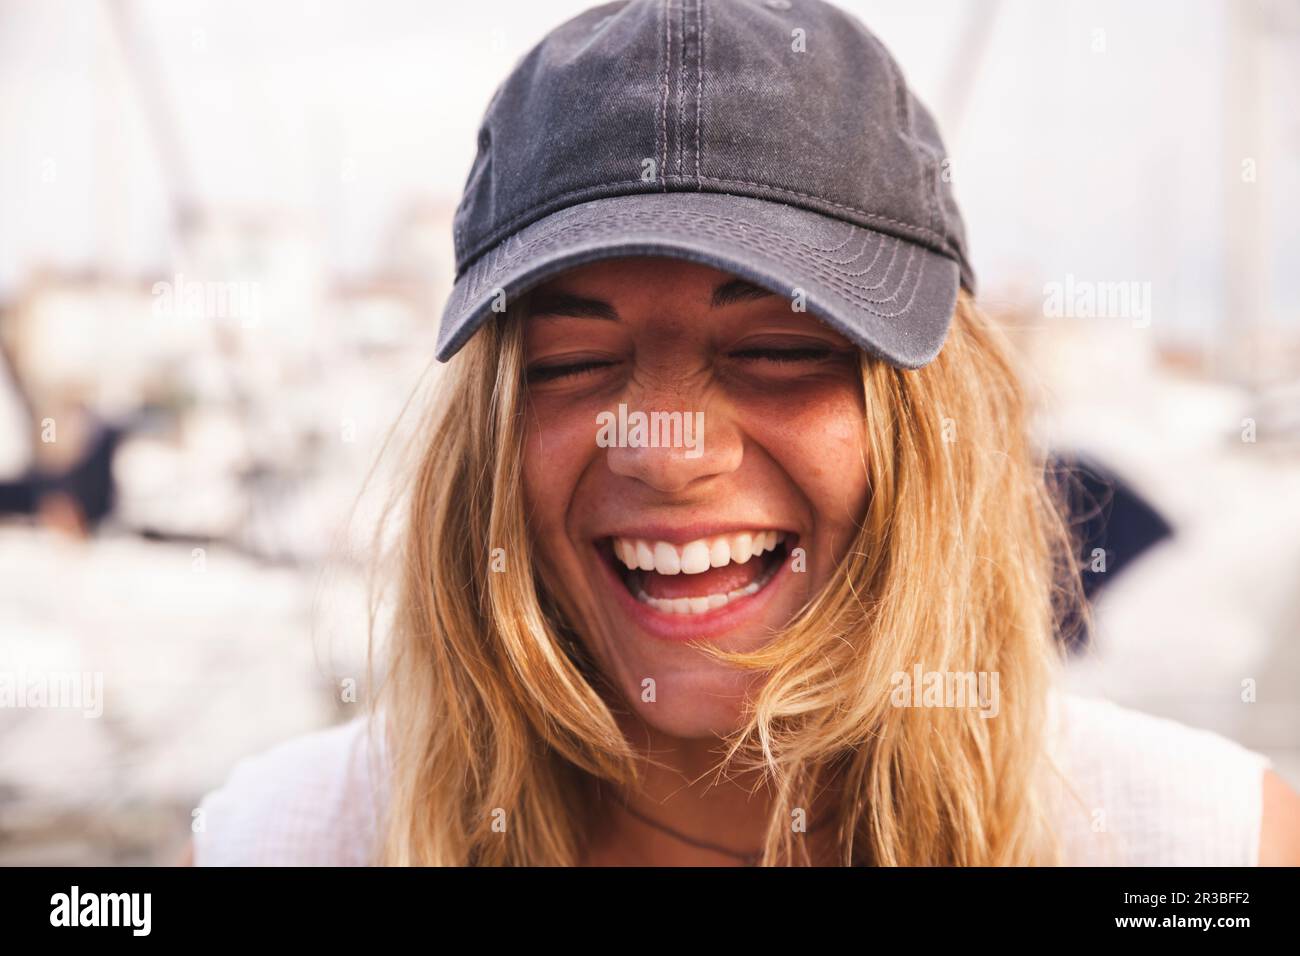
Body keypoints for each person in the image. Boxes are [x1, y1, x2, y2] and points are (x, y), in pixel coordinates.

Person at [191, 0, 1300, 866]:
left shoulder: (1196, 842)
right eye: (573, 365)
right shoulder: (280, 841)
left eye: (777, 349)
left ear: (930, 418)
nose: (668, 449)